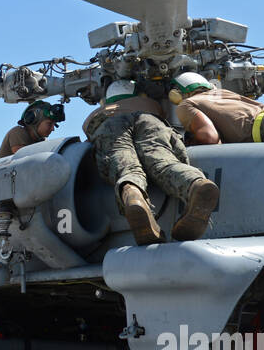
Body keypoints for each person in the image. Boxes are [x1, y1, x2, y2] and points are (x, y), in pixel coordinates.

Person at [83, 80, 219, 245]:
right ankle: (195, 184)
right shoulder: (149, 107)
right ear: (141, 96)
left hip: (111, 127)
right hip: (150, 121)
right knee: (164, 164)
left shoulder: (102, 113)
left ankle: (133, 194)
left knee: (125, 168)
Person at [0, 100, 64, 159]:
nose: (52, 129)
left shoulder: (41, 141)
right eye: (49, 124)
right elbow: (22, 158)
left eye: (54, 124)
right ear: (34, 120)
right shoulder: (18, 132)